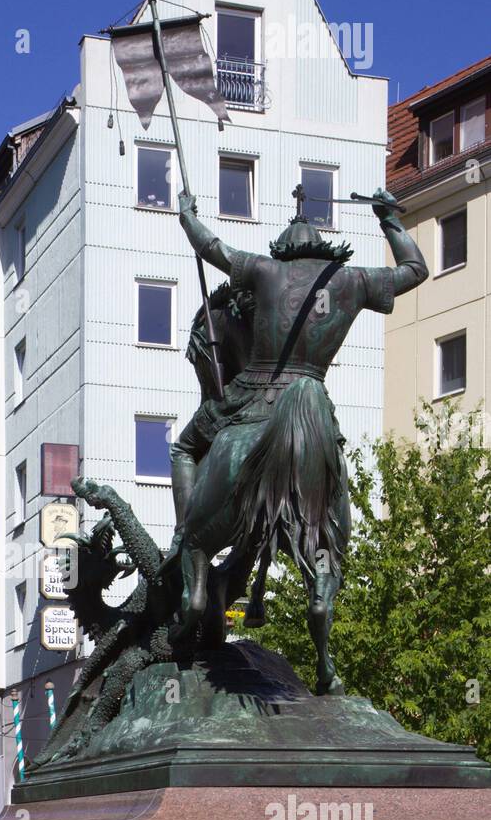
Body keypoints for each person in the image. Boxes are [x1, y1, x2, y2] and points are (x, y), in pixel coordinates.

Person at [165, 186, 428, 560]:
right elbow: (415, 270)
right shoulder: (352, 280)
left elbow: (212, 249)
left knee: (184, 448)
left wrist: (187, 216)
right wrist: (387, 219)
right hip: (313, 402)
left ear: (284, 252)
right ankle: (329, 550)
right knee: (333, 464)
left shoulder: (264, 269)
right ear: (322, 250)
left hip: (253, 395)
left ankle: (184, 537)